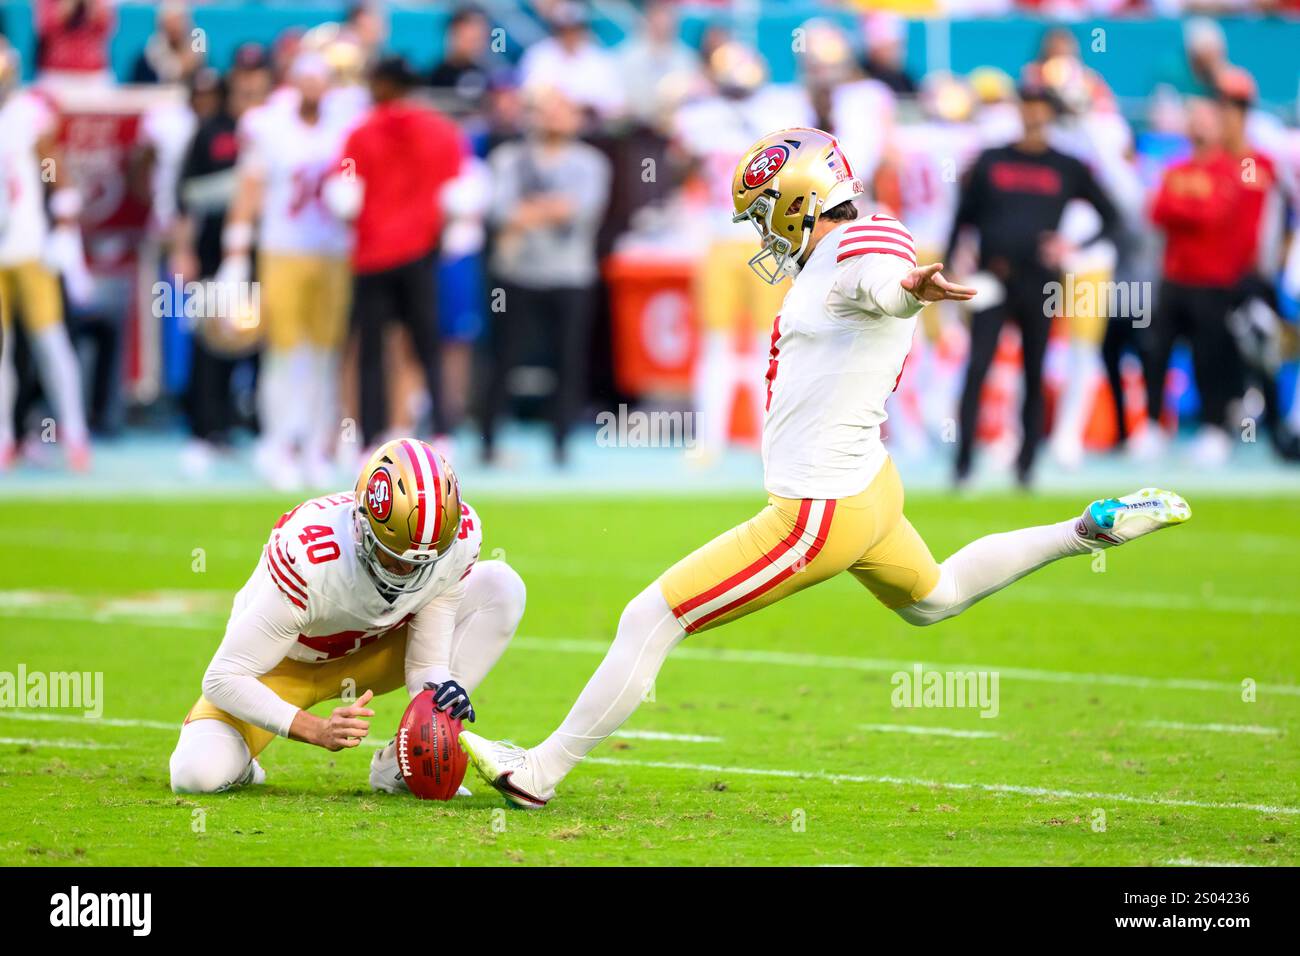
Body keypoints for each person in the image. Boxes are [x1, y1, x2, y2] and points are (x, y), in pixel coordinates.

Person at [458, 127, 1191, 809]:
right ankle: (1084, 531)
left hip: (818, 511)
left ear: (799, 203)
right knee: (936, 596)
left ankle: (540, 771)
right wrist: (902, 287)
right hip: (868, 485)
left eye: (764, 214)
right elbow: (875, 273)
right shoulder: (855, 240)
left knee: (651, 616)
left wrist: (907, 290)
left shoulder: (858, 250)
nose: (761, 232)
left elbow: (878, 280)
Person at [168, 438, 526, 794]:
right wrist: (315, 729)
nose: (406, 572)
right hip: (278, 666)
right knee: (194, 776)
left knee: (501, 587)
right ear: (363, 524)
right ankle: (243, 765)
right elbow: (222, 677)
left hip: (371, 653)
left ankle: (400, 767)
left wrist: (440, 697)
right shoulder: (310, 559)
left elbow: (425, 666)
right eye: (394, 556)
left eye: (421, 562)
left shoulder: (456, 540)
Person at [946, 80, 1121, 487]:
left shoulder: (1066, 164)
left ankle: (1026, 466)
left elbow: (1112, 215)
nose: (1034, 112)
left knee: (1034, 369)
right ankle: (963, 463)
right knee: (978, 368)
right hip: (992, 275)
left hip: (1040, 281)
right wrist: (954, 263)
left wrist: (1072, 246)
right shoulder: (991, 159)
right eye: (1028, 103)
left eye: (1042, 105)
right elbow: (963, 217)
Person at [221, 51, 358, 490]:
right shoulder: (271, 126)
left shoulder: (346, 123)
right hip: (282, 249)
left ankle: (317, 445)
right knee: (283, 353)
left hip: (334, 251)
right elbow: (250, 190)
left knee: (324, 355)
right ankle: (280, 442)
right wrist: (235, 257)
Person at [324, 56, 466, 450]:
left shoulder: (361, 133)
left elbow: (344, 195)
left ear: (384, 84)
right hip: (421, 253)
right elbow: (457, 191)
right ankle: (442, 433)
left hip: (373, 257)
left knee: (372, 353)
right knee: (428, 348)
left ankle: (371, 440)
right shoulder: (442, 131)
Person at [481, 87, 610, 466]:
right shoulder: (509, 159)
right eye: (547, 111)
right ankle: (489, 438)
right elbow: (501, 212)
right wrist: (548, 210)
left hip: (569, 274)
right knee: (501, 358)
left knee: (568, 360)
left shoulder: (591, 163)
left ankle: (561, 441)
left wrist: (529, 213)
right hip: (516, 272)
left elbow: (580, 210)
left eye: (563, 111)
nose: (554, 119)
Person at [1135, 98, 1245, 466]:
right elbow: (1156, 210)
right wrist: (1187, 209)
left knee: (1208, 355)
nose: (1197, 126)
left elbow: (1214, 215)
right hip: (1174, 276)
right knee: (1156, 352)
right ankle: (1152, 425)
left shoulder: (1228, 169)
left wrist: (1182, 209)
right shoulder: (1176, 168)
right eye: (1193, 118)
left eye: (1205, 119)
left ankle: (1213, 428)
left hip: (1212, 279)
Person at [0, 45, 92, 472]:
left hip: (27, 244)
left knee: (51, 344)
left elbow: (53, 167)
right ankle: (3, 436)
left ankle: (73, 433)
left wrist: (66, 231)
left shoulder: (27, 114)